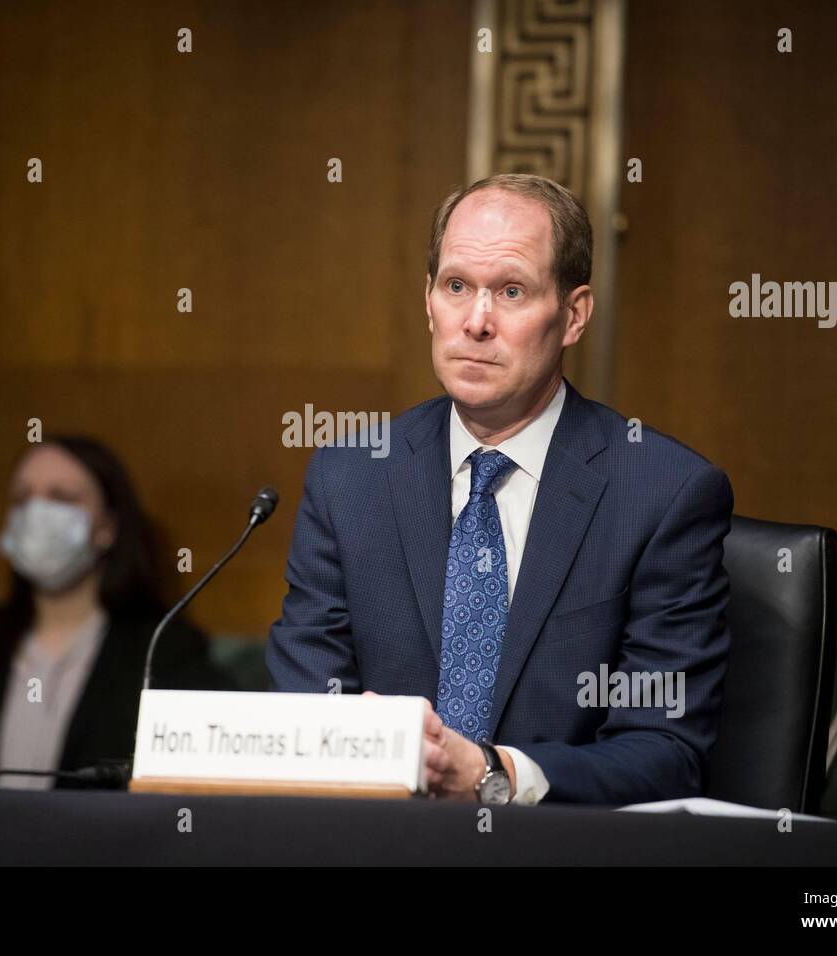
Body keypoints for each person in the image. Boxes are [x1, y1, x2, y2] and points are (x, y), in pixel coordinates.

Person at [267, 173, 734, 806]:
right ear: (428, 299)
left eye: (511, 291)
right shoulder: (350, 479)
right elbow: (303, 710)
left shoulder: (662, 494)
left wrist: (492, 776)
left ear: (573, 316)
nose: (476, 322)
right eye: (456, 286)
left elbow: (665, 753)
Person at [0, 435, 234, 788]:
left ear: (107, 528)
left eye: (62, 498)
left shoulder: (164, 652)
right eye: (23, 498)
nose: (37, 514)